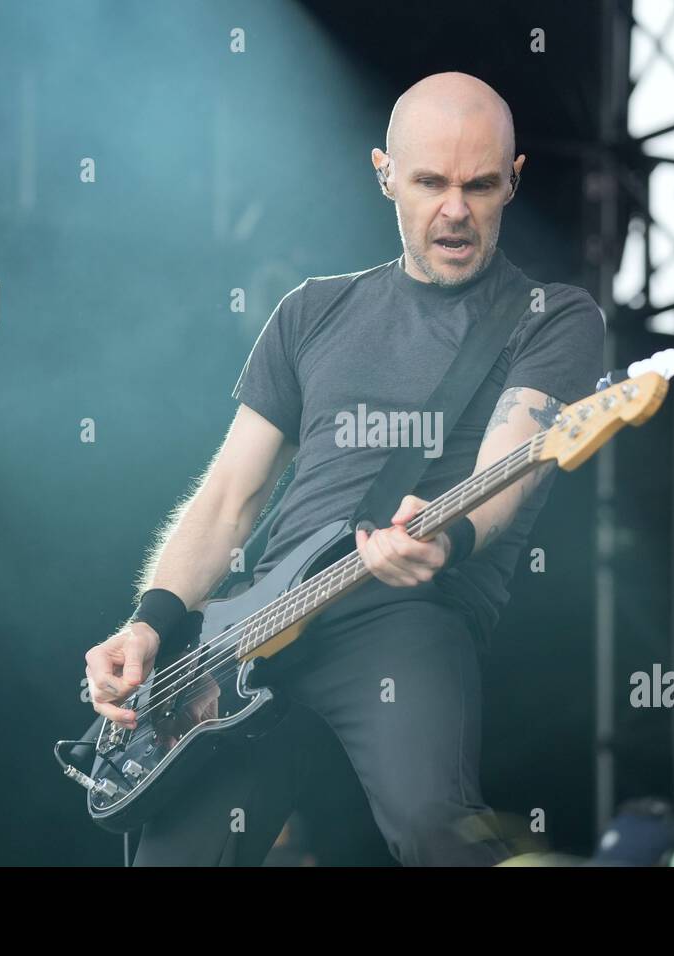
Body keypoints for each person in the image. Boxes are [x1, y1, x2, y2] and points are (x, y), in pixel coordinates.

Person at [84, 71, 605, 865]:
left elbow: (514, 467)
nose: (455, 209)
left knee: (439, 831)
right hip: (248, 634)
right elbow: (232, 494)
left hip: (405, 609)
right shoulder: (310, 310)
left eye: (481, 185)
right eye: (431, 181)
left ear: (514, 181)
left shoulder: (551, 317)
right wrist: (150, 623)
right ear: (385, 173)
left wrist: (448, 538)